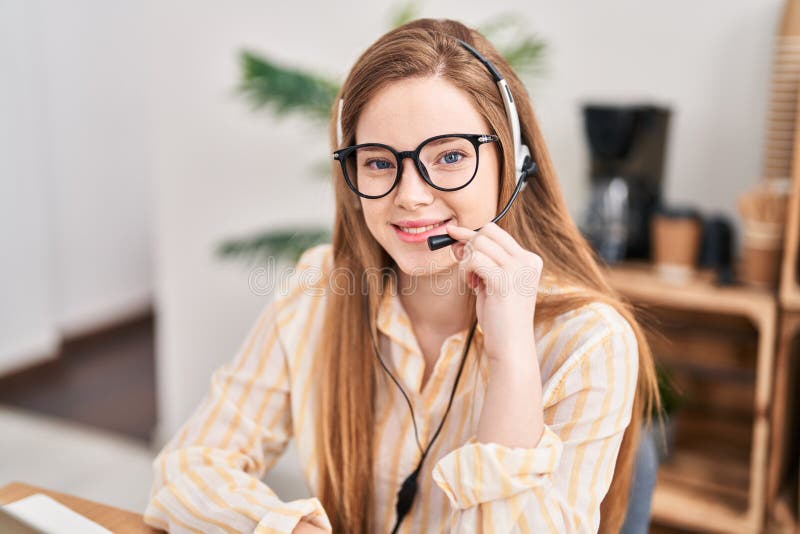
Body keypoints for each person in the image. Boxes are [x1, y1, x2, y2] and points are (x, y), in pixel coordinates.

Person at [144, 18, 661, 534]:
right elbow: (187, 469)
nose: (410, 196)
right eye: (378, 163)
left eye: (451, 156)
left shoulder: (589, 342)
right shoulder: (319, 288)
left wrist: (512, 361)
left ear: (513, 162)